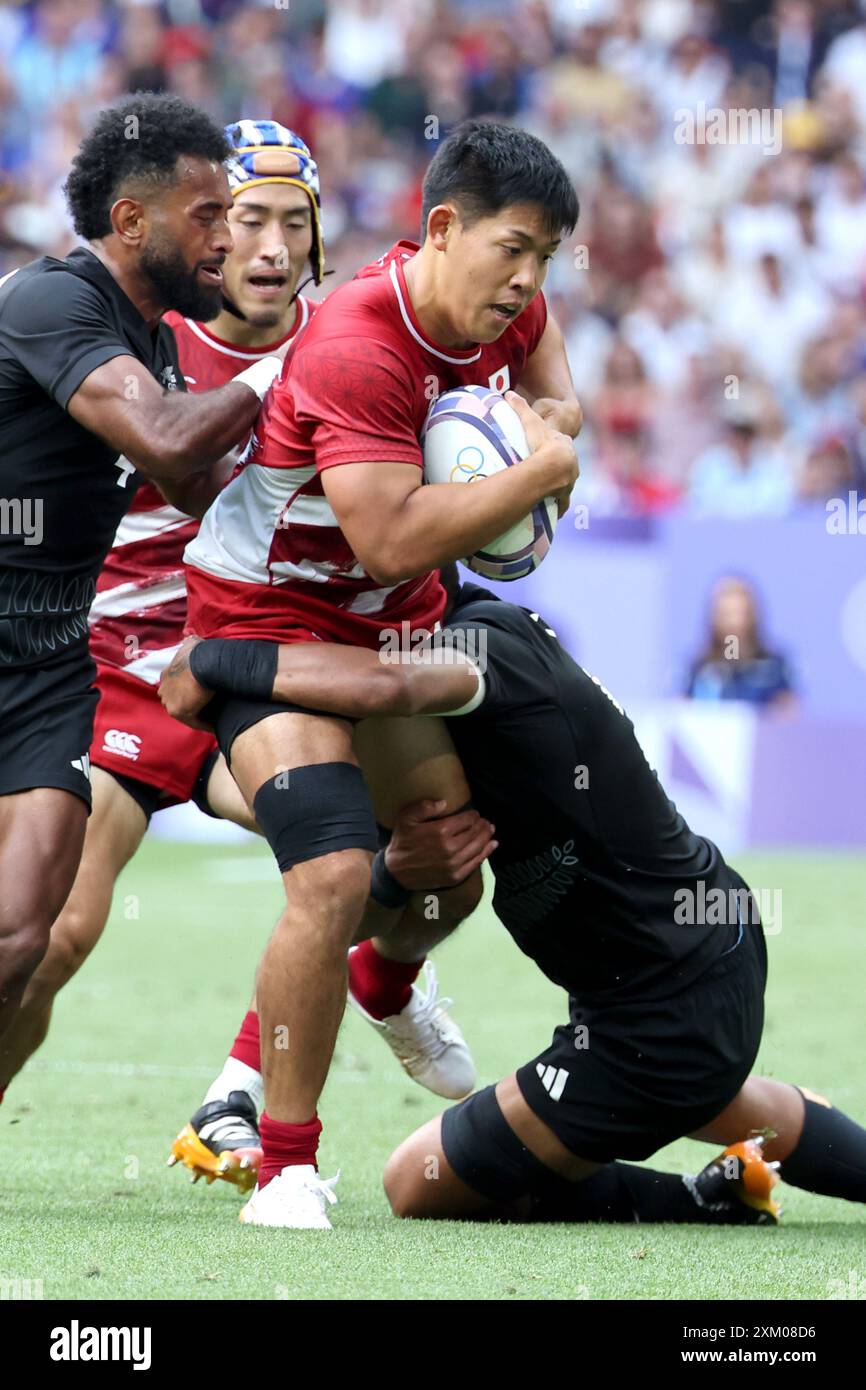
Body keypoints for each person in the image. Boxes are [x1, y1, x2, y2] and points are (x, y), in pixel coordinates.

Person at [161, 565, 866, 1226]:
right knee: (707, 1094)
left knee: (418, 1179)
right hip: (703, 954)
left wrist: (216, 660)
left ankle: (701, 1201)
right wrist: (395, 872)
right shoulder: (456, 678)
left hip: (657, 1014)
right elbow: (340, 878)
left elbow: (384, 686)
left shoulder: (476, 650)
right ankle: (385, 982)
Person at [176, 118, 582, 1227]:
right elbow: (394, 538)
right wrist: (539, 470)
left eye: (544, 255)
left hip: (387, 628)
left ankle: (385, 981)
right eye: (513, 249)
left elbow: (559, 402)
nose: (528, 280)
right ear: (440, 228)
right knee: (333, 869)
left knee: (452, 869)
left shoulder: (512, 300)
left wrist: (541, 434)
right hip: (268, 623)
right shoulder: (360, 342)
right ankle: (284, 1166)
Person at [0, 93, 284, 1044]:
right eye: (209, 216)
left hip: (47, 662)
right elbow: (168, 436)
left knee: (20, 943)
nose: (230, 241)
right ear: (131, 221)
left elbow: (209, 491)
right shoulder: (52, 300)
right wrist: (294, 364)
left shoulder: (154, 341)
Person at [686, 574, 797, 709]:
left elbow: (789, 712)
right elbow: (683, 710)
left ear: (752, 615)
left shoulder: (773, 666)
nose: (734, 623)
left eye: (738, 613)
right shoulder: (700, 668)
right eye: (726, 614)